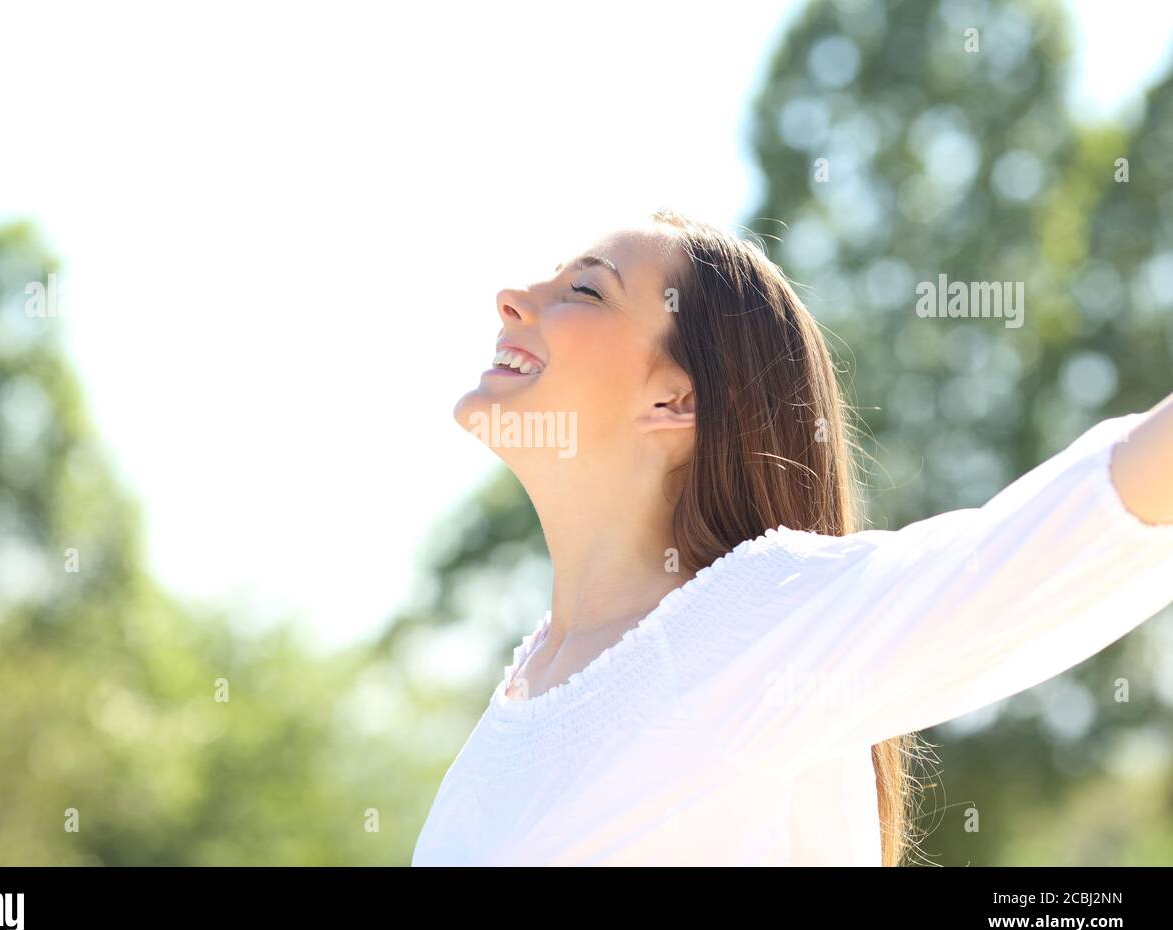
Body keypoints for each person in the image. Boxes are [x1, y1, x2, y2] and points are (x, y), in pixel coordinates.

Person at [411, 208, 1173, 866]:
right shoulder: (523, 695)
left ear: (675, 398)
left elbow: (1044, 544)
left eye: (584, 289)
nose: (512, 299)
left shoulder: (752, 622)